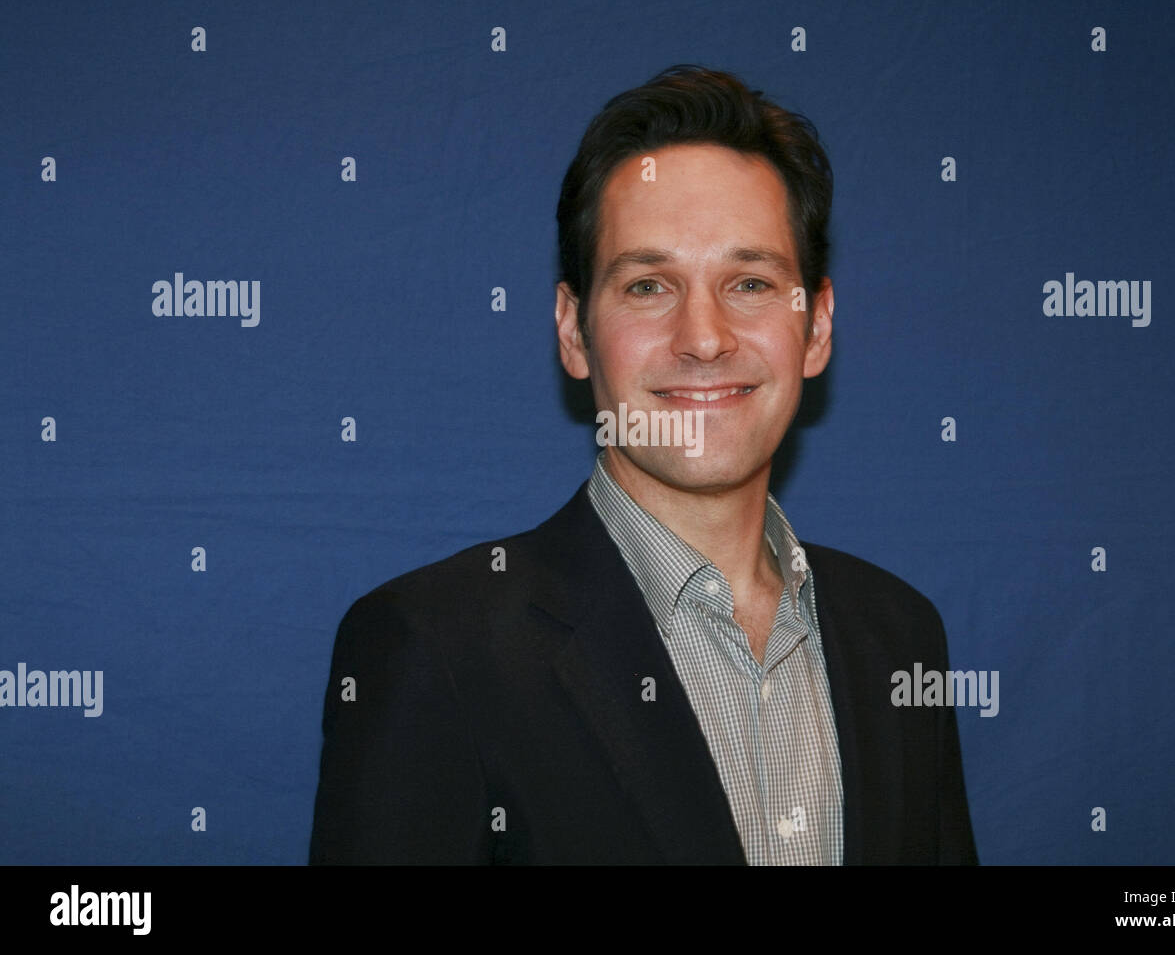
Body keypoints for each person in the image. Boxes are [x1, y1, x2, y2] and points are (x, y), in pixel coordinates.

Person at [308, 63, 978, 865]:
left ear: (819, 327)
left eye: (752, 282)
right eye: (650, 285)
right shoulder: (436, 649)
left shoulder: (899, 636)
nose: (705, 336)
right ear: (572, 329)